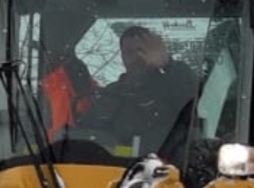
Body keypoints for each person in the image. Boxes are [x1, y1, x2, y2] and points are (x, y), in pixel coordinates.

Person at [78, 26, 198, 155]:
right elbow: (86, 137)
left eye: (141, 51)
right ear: (122, 56)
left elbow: (194, 99)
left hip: (167, 168)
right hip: (110, 168)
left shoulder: (173, 87)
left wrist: (167, 64)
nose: (136, 57)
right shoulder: (108, 95)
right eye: (129, 52)